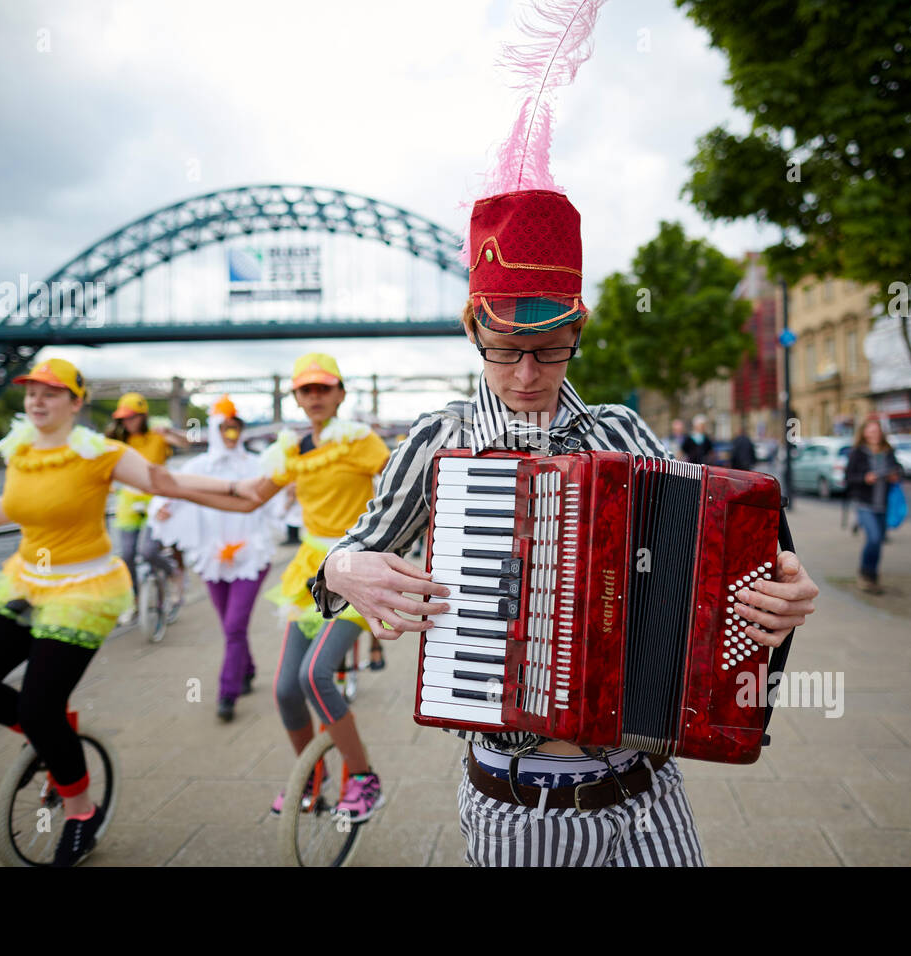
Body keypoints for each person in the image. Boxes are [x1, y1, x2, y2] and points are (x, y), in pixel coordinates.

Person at [293, 189, 820, 867]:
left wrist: (774, 592)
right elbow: (339, 563)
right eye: (504, 350)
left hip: (650, 785)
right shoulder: (439, 440)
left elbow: (707, 568)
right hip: (519, 805)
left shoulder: (620, 430)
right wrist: (343, 568)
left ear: (578, 330)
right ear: (473, 330)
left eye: (549, 350)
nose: (526, 375)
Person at [0, 359, 244, 865]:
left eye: (51, 392)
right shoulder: (21, 448)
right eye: (31, 392)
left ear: (76, 402)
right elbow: (13, 505)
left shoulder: (99, 452)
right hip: (27, 582)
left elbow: (162, 480)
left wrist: (240, 491)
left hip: (83, 591)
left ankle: (81, 813)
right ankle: (51, 738)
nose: (37, 401)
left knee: (38, 708)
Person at [183, 354, 392, 822]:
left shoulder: (360, 440)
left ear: (341, 393)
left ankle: (364, 779)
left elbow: (405, 484)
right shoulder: (292, 449)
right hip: (310, 575)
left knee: (314, 676)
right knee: (284, 690)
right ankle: (312, 778)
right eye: (306, 390)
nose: (315, 397)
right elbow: (249, 498)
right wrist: (176, 488)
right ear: (296, 398)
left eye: (324, 388)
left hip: (354, 568)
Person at [147, 396, 284, 721]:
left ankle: (227, 694)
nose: (230, 433)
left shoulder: (257, 465)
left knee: (234, 625)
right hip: (213, 560)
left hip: (251, 557)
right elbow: (170, 490)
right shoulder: (197, 468)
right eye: (224, 427)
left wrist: (289, 499)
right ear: (214, 430)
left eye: (235, 427)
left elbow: (275, 507)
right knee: (230, 626)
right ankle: (247, 668)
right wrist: (162, 509)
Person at [105, 392, 190, 616]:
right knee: (126, 554)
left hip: (156, 499)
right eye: (124, 418)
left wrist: (169, 432)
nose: (128, 422)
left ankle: (173, 574)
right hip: (129, 500)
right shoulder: (118, 440)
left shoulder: (157, 435)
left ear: (143, 416)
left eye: (132, 417)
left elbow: (188, 441)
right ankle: (132, 599)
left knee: (149, 550)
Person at [844, 415, 903, 594]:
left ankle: (873, 576)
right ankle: (865, 574)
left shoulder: (888, 451)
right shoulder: (858, 452)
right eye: (870, 431)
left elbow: (899, 469)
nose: (874, 435)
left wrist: (895, 475)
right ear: (864, 433)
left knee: (879, 541)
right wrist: (865, 478)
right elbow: (848, 478)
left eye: (876, 431)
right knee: (874, 538)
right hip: (864, 502)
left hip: (883, 503)